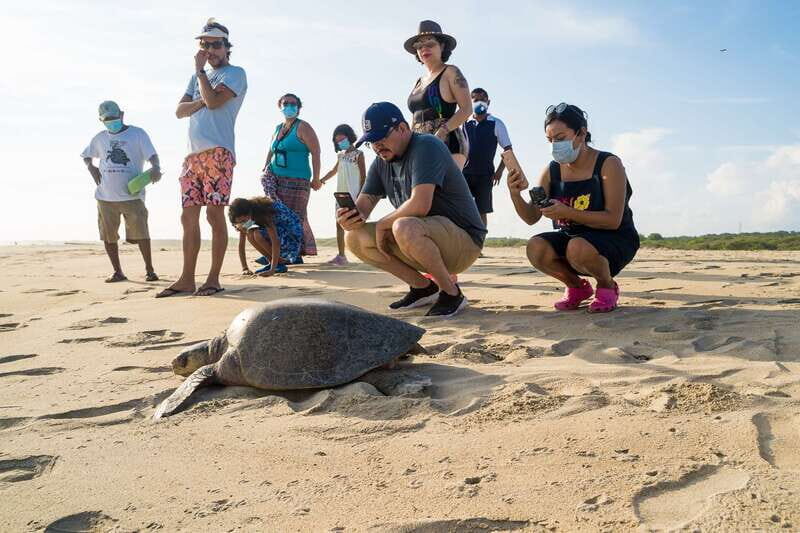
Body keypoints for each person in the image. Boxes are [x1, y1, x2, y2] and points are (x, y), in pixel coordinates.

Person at [337, 102, 486, 318]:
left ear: (403, 129)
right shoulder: (381, 163)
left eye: (381, 138)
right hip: (425, 240)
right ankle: (423, 288)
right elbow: (364, 205)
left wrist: (382, 225)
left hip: (464, 242)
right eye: (371, 142)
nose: (377, 146)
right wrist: (349, 218)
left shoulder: (427, 145)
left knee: (403, 225)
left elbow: (420, 204)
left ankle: (452, 293)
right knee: (354, 237)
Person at [508, 103, 639, 313]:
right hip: (574, 239)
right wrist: (515, 194)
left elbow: (613, 219)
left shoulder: (609, 164)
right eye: (550, 140)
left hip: (614, 237)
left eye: (560, 138)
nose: (554, 146)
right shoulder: (552, 171)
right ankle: (577, 288)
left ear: (581, 134)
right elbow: (531, 217)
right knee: (536, 247)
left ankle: (607, 286)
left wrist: (567, 212)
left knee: (577, 247)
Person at [157, 18, 247, 298]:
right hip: (192, 154)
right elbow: (179, 111)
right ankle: (186, 278)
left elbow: (214, 101)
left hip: (219, 151)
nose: (210, 50)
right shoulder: (196, 78)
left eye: (216, 44)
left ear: (226, 47)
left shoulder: (235, 73)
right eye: (205, 44)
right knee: (188, 217)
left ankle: (213, 278)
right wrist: (199, 92)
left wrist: (199, 73)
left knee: (213, 213)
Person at [81, 100, 161, 283]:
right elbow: (86, 155)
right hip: (105, 197)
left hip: (132, 195)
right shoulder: (99, 138)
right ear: (101, 120)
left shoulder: (137, 134)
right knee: (108, 236)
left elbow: (152, 155)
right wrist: (91, 167)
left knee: (142, 234)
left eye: (114, 117)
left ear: (122, 114)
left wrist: (156, 167)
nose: (111, 121)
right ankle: (118, 272)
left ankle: (150, 270)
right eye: (106, 119)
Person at [261, 93, 321, 260]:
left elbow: (316, 152)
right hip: (277, 178)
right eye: (286, 103)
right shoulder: (278, 128)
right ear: (280, 106)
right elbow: (271, 150)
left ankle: (293, 253)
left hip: (298, 180)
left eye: (293, 104)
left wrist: (316, 178)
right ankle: (280, 252)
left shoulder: (303, 127)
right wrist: (265, 166)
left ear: (299, 107)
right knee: (277, 215)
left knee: (294, 216)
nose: (289, 106)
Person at [405, 20, 472, 169]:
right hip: (420, 146)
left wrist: (442, 132)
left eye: (430, 44)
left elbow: (467, 109)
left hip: (448, 144)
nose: (424, 49)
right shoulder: (418, 81)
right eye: (419, 46)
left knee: (445, 191)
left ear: (442, 46)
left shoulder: (451, 72)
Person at [463, 87, 513, 227]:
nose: (480, 103)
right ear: (470, 102)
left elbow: (508, 149)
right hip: (464, 174)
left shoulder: (496, 123)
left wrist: (499, 171)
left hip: (485, 176)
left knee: (481, 211)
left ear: (488, 102)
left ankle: (479, 244)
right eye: (476, 100)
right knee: (461, 209)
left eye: (483, 100)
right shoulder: (464, 123)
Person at [320, 124, 366, 265]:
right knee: (339, 224)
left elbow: (364, 176)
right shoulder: (340, 155)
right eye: (338, 141)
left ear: (349, 137)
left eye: (343, 139)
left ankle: (365, 253)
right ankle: (341, 255)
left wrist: (361, 195)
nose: (341, 142)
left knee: (358, 224)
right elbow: (334, 171)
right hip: (341, 194)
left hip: (355, 194)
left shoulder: (359, 154)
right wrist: (321, 180)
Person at [229, 197, 303, 277]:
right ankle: (274, 262)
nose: (243, 224)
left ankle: (276, 264)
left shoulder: (264, 212)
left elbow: (275, 241)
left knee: (257, 234)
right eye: (238, 223)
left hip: (291, 235)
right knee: (250, 233)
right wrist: (245, 268)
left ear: (248, 213)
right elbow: (241, 243)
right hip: (280, 232)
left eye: (243, 221)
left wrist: (272, 270)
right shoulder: (249, 216)